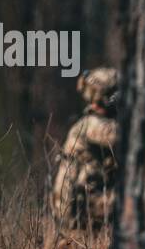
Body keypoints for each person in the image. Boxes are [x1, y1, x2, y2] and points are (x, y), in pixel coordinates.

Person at [50, 66, 119, 232]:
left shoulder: (89, 123)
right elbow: (125, 139)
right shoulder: (93, 125)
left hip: (80, 206)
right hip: (81, 210)